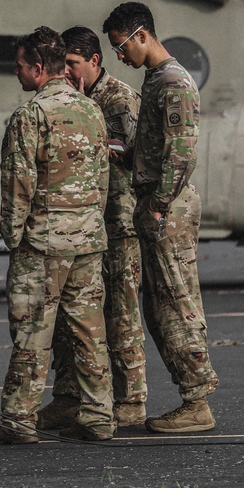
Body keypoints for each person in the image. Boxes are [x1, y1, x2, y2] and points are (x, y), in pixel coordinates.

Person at [0, 25, 115, 445]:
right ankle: (98, 417)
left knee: (31, 333)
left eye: (20, 66)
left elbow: (18, 183)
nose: (16, 73)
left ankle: (20, 421)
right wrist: (91, 219)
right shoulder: (92, 110)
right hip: (89, 238)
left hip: (42, 244)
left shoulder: (30, 115)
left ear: (39, 69)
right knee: (90, 332)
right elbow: (104, 177)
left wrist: (12, 234)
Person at [103, 0, 219, 432]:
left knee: (176, 303)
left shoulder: (173, 82)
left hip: (166, 206)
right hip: (153, 198)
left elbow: (182, 154)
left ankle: (197, 401)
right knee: (158, 306)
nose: (119, 56)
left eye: (121, 46)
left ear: (142, 35)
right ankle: (191, 395)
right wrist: (128, 156)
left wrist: (155, 205)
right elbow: (158, 148)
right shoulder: (154, 79)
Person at [39, 26, 147, 430]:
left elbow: (132, 151)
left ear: (93, 62)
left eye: (72, 64)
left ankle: (131, 399)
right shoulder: (68, 98)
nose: (65, 72)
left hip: (117, 222)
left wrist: (87, 120)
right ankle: (68, 396)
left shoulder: (117, 98)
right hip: (80, 224)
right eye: (61, 64)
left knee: (121, 314)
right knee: (73, 318)